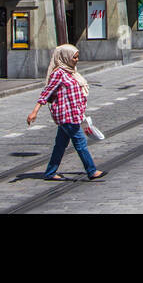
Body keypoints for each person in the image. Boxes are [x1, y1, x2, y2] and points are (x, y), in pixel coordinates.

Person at [27, 44, 105, 181]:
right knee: (80, 143)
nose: (77, 60)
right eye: (74, 57)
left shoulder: (71, 72)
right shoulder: (58, 73)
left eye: (77, 57)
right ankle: (91, 170)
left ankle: (50, 172)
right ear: (65, 57)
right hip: (66, 115)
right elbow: (46, 93)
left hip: (73, 115)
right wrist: (34, 112)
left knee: (60, 145)